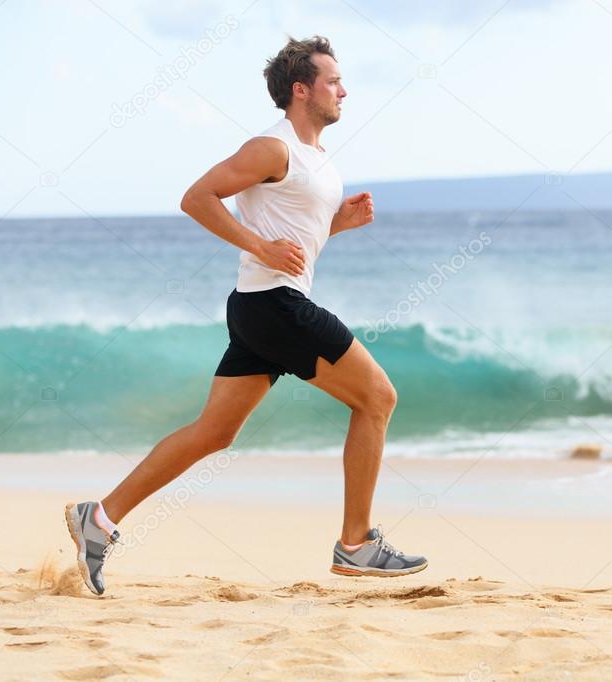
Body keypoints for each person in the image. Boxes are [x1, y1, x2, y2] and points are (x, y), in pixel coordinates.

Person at [65, 36, 427, 595]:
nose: (343, 90)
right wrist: (259, 247)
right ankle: (356, 545)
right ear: (301, 90)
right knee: (378, 397)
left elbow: (297, 237)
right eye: (333, 81)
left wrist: (338, 225)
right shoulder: (271, 148)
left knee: (214, 432)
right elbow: (197, 197)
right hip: (275, 305)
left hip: (260, 306)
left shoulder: (315, 160)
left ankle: (101, 518)